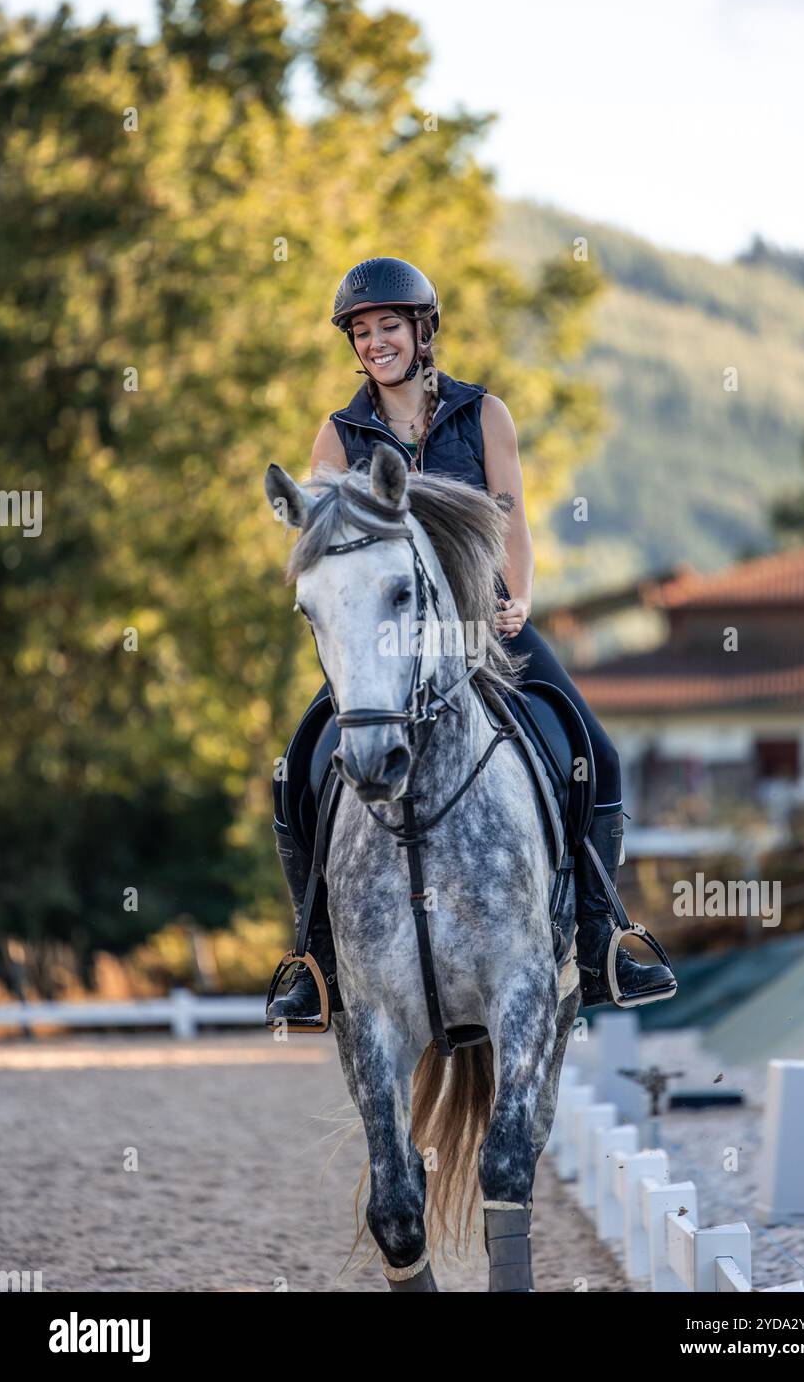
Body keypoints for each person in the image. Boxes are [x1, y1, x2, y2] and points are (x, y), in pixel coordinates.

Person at [267, 256, 675, 1024]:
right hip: (386, 646)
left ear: (423, 331)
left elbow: (510, 520)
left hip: (479, 628)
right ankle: (313, 957)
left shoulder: (484, 414)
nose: (376, 343)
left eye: (389, 326)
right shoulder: (338, 433)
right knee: (297, 769)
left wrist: (516, 596)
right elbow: (323, 539)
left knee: (594, 751)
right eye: (361, 332)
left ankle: (599, 939)